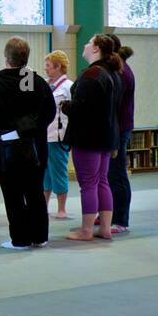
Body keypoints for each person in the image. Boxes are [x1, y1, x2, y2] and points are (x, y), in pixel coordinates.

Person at [0, 37, 56, 251]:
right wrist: (32, 127)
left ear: (6, 57)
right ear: (26, 57)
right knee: (35, 191)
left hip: (6, 147)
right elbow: (49, 112)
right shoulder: (33, 80)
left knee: (13, 194)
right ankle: (39, 236)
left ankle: (20, 239)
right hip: (34, 146)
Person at [60, 34, 122, 242]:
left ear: (96, 49)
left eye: (89, 42)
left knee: (88, 183)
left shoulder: (91, 74)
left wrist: (65, 106)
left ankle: (86, 230)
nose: (85, 45)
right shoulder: (113, 73)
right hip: (106, 136)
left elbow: (81, 108)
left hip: (88, 137)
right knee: (102, 181)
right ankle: (104, 227)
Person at [107, 36, 135, 235]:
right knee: (109, 175)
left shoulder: (122, 73)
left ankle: (120, 219)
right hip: (116, 128)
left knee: (117, 175)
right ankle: (109, 213)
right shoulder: (119, 69)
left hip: (119, 129)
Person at [43, 50, 73, 220]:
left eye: (48, 66)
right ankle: (44, 205)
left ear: (58, 67)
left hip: (59, 136)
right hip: (44, 136)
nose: (46, 69)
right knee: (44, 172)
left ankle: (62, 208)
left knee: (58, 171)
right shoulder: (46, 85)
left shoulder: (69, 87)